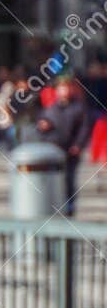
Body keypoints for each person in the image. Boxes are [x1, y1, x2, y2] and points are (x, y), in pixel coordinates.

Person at [37, 76, 96, 215]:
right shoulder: (51, 108)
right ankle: (54, 205)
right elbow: (41, 125)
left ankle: (69, 207)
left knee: (69, 179)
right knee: (54, 180)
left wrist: (78, 145)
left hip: (71, 151)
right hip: (54, 152)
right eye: (61, 88)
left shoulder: (79, 107)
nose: (64, 91)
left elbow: (85, 128)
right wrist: (43, 126)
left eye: (67, 87)